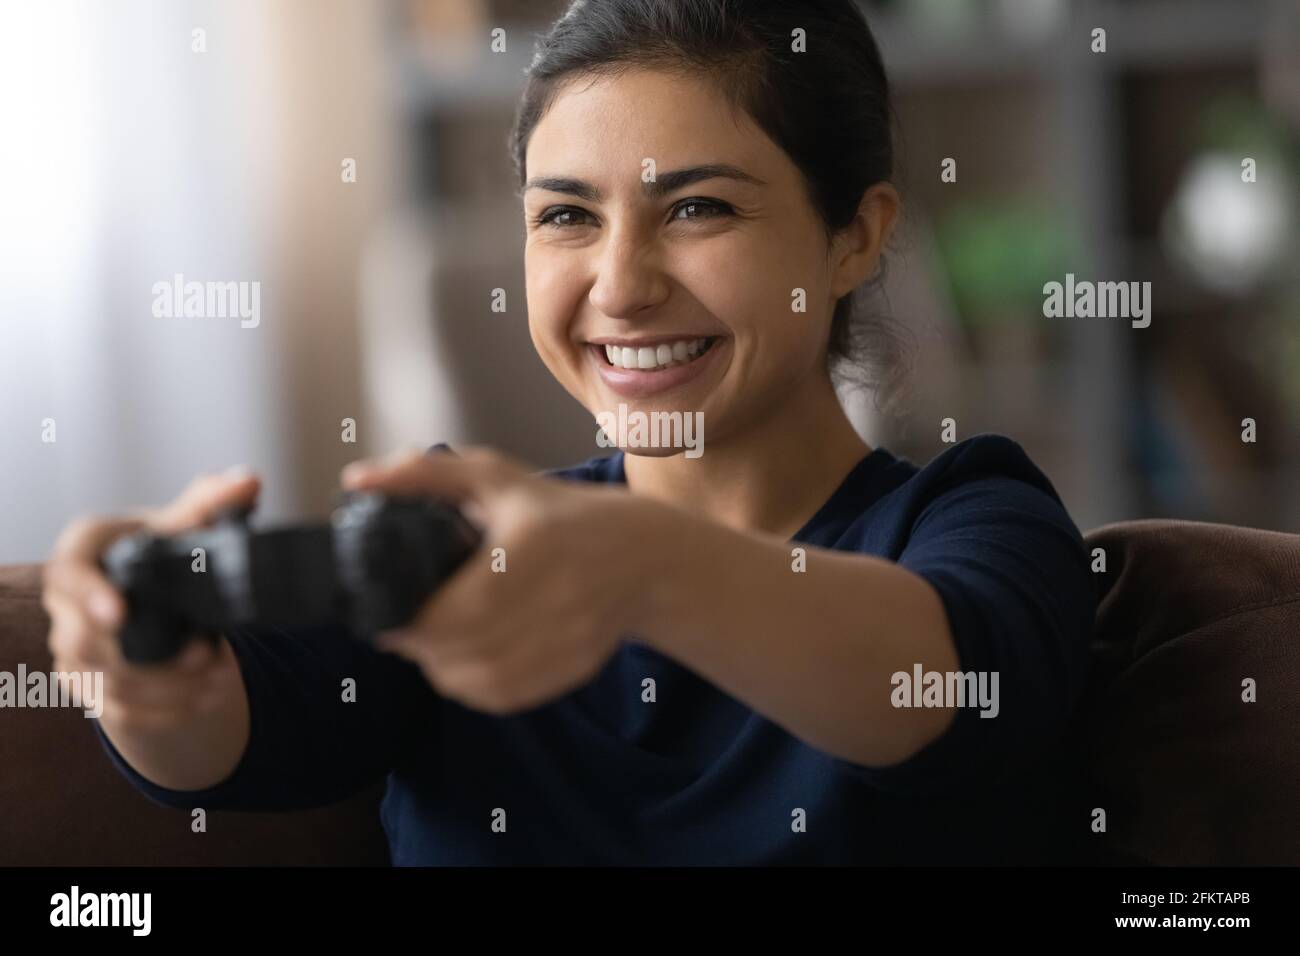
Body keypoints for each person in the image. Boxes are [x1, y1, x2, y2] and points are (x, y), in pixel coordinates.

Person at [42, 0, 1095, 864]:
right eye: (566, 216)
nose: (620, 288)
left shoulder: (972, 516)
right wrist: (142, 662)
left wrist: (638, 568)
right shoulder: (459, 540)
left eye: (698, 209)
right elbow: (222, 731)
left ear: (855, 235)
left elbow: (944, 687)